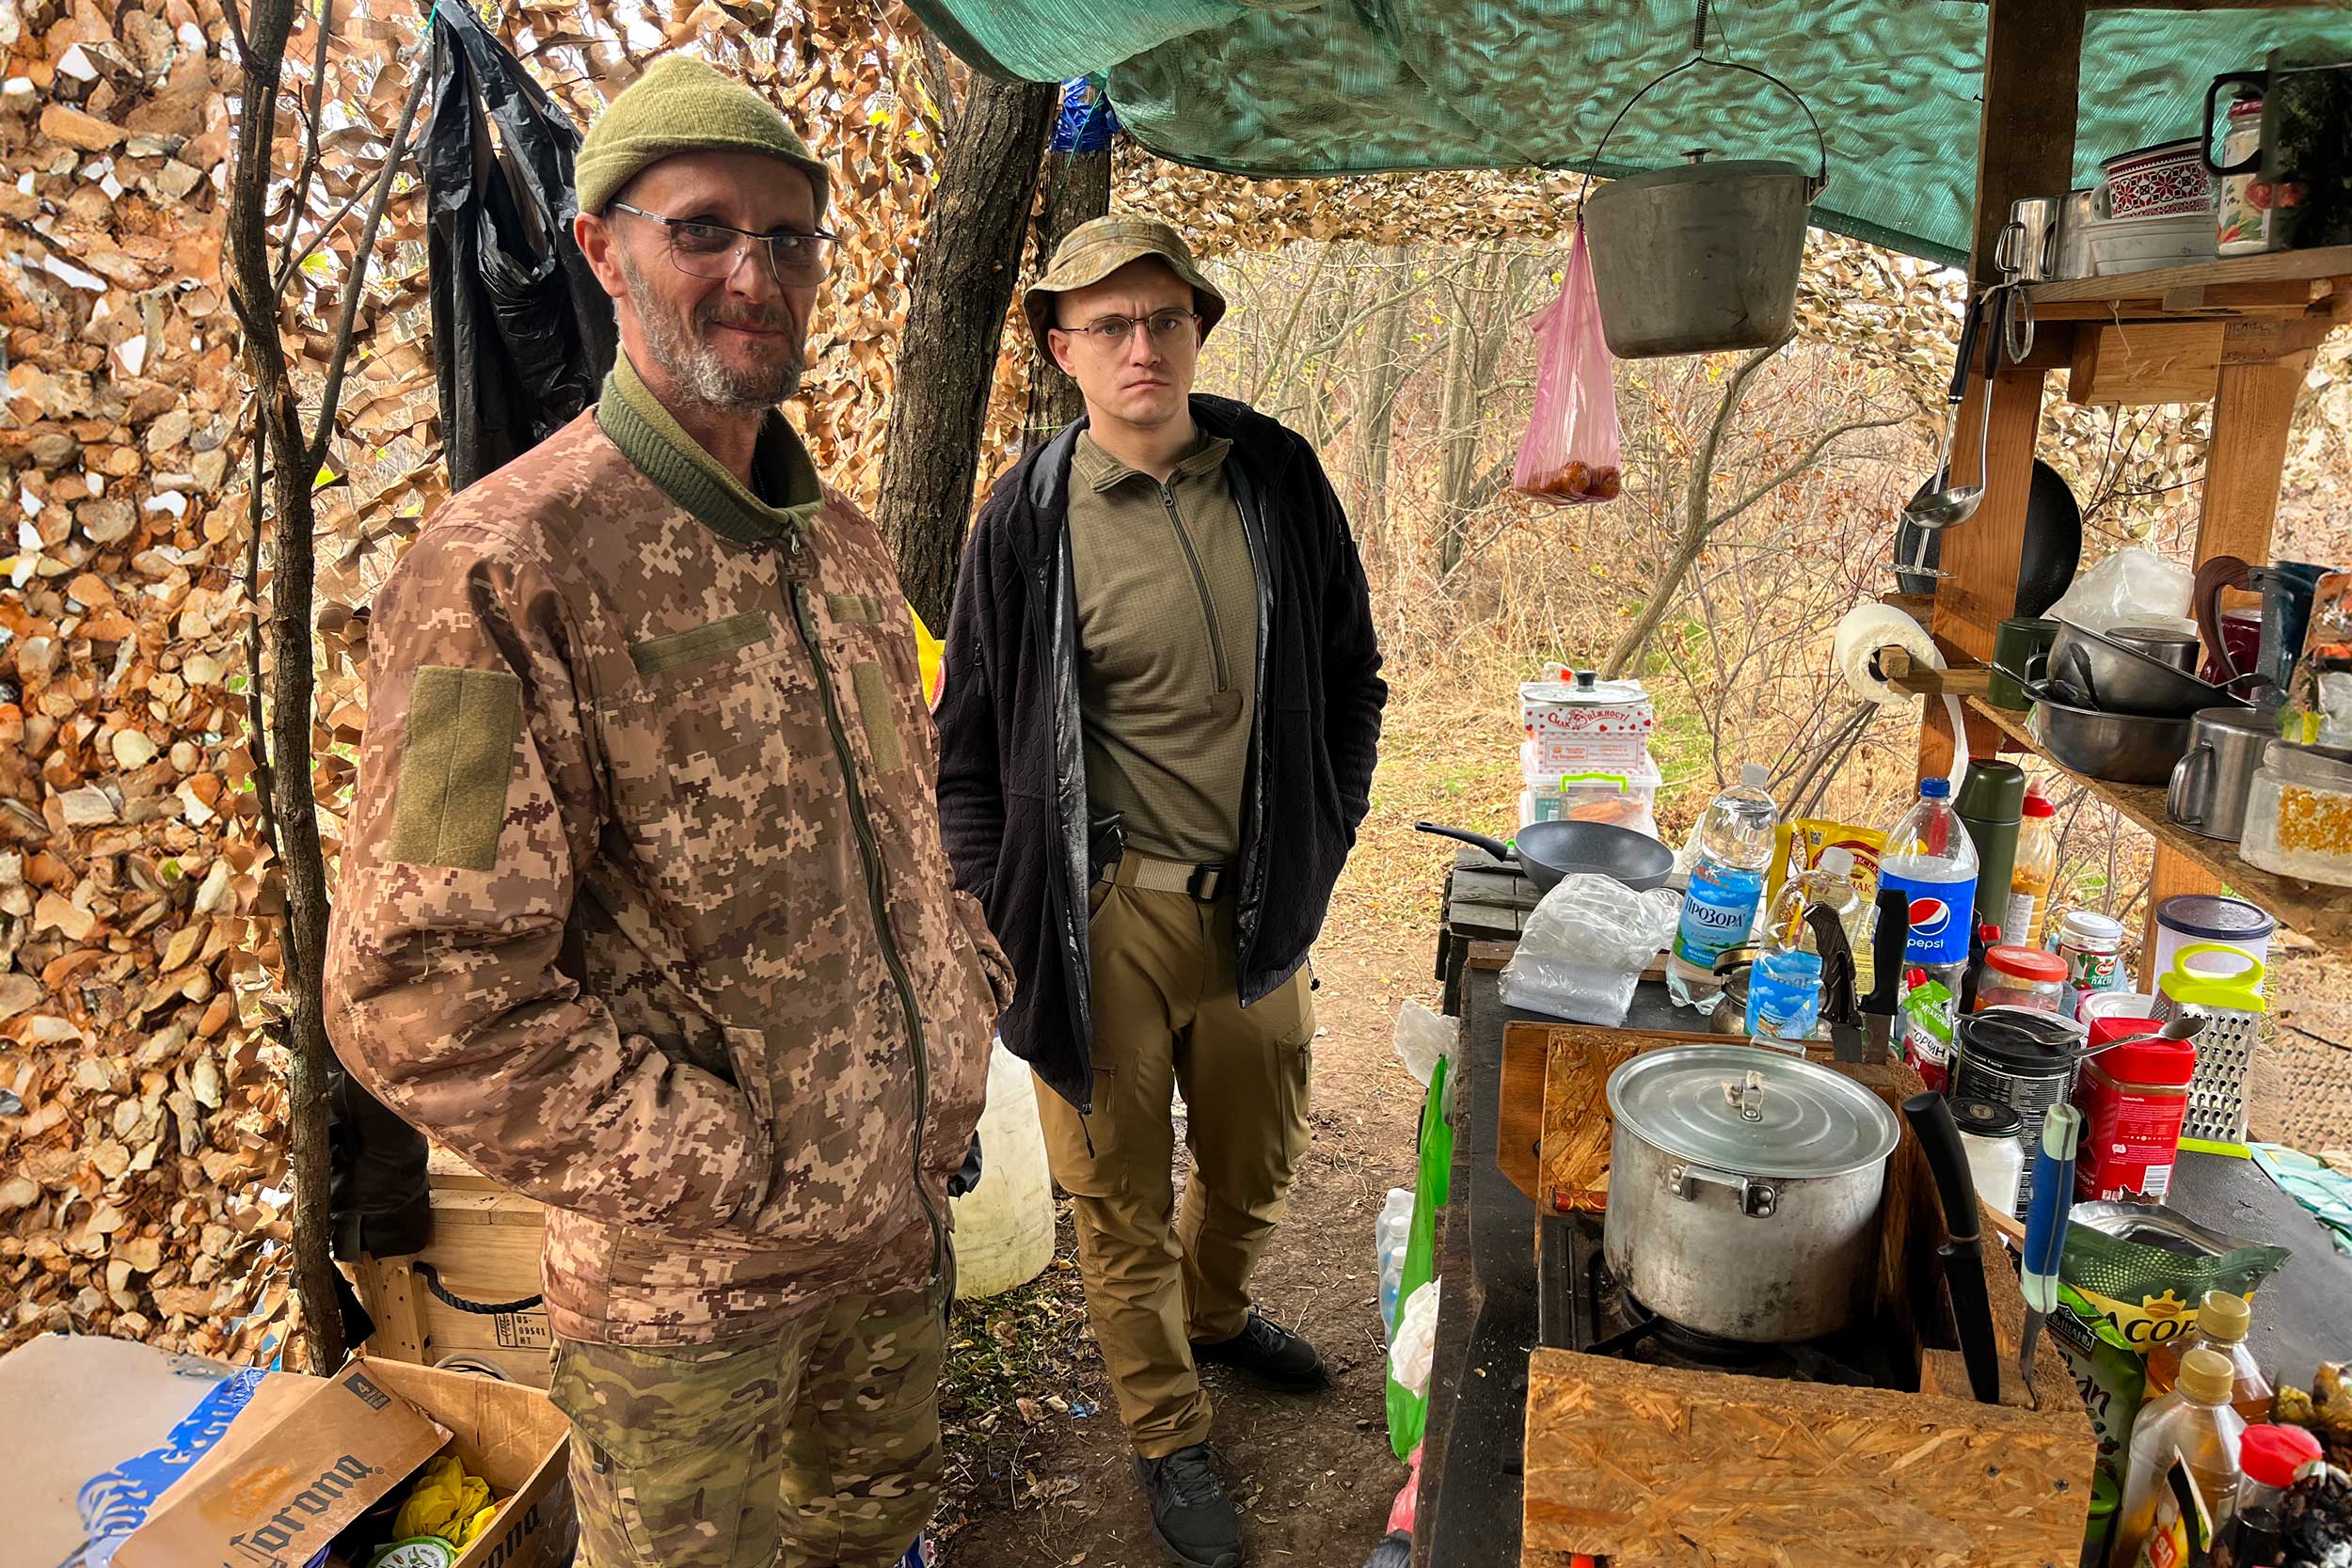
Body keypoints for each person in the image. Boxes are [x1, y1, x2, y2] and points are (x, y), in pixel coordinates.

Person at [323, 56, 1011, 1568]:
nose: (751, 274)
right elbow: (414, 994)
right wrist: (731, 1165)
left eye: (788, 237)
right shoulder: (499, 574)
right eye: (702, 230)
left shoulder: (835, 544)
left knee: (875, 1536)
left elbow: (897, 822)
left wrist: (962, 1010)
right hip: (691, 1309)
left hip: (893, 1244)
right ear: (602, 249)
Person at [933, 214, 1387, 1568]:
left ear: (1199, 329)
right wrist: (992, 918)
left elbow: (1354, 679)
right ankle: (1164, 1431)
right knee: (1114, 1194)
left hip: (1255, 912)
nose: (1142, 345)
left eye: (1165, 318)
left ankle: (1220, 1313)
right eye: (1109, 325)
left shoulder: (1278, 481)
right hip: (1094, 922)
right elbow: (965, 755)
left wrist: (1323, 834)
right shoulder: (1021, 522)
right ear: (1062, 347)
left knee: (1256, 1162)